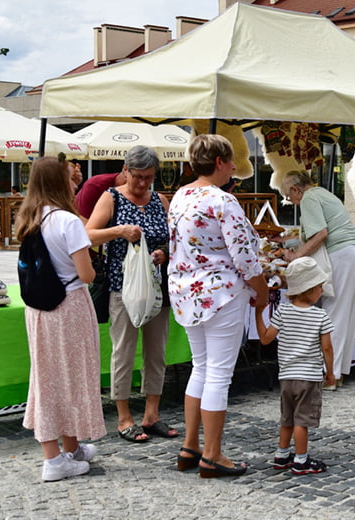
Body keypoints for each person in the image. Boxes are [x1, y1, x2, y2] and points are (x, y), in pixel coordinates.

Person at [168, 134, 269, 478]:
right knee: (219, 375)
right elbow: (244, 256)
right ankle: (212, 454)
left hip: (187, 292)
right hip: (222, 293)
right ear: (219, 163)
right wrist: (261, 290)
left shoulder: (181, 196)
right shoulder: (223, 200)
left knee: (201, 368)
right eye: (231, 161)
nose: (234, 167)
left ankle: (190, 446)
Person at [14, 156, 105, 481]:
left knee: (48, 376)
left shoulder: (29, 217)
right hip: (70, 305)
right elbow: (87, 274)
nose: (75, 181)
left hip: (39, 310)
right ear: (57, 182)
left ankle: (70, 447)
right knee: (72, 376)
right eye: (70, 176)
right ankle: (53, 460)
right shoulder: (68, 221)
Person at [85, 146, 174, 444]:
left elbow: (172, 239)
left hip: (156, 288)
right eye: (138, 177)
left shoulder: (160, 200)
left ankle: (152, 414)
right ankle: (124, 417)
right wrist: (119, 231)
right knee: (123, 351)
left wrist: (163, 253)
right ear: (126, 170)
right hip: (121, 287)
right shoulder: (111, 197)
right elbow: (87, 233)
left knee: (156, 353)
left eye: (149, 177)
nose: (143, 183)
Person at [280, 170, 355, 388]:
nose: (291, 201)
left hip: (342, 254)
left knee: (333, 312)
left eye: (289, 196)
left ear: (295, 189)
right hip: (354, 251)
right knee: (345, 313)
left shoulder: (309, 198)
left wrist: (296, 257)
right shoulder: (322, 193)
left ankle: (329, 375)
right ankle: (337, 372)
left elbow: (320, 233)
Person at [254, 256, 334, 475]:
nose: (322, 290)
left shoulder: (282, 311)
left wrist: (258, 313)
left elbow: (265, 339)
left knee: (287, 419)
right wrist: (330, 372)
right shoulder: (320, 316)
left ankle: (281, 455)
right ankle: (301, 460)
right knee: (302, 421)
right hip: (308, 378)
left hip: (287, 377)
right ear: (309, 289)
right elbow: (327, 348)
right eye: (319, 286)